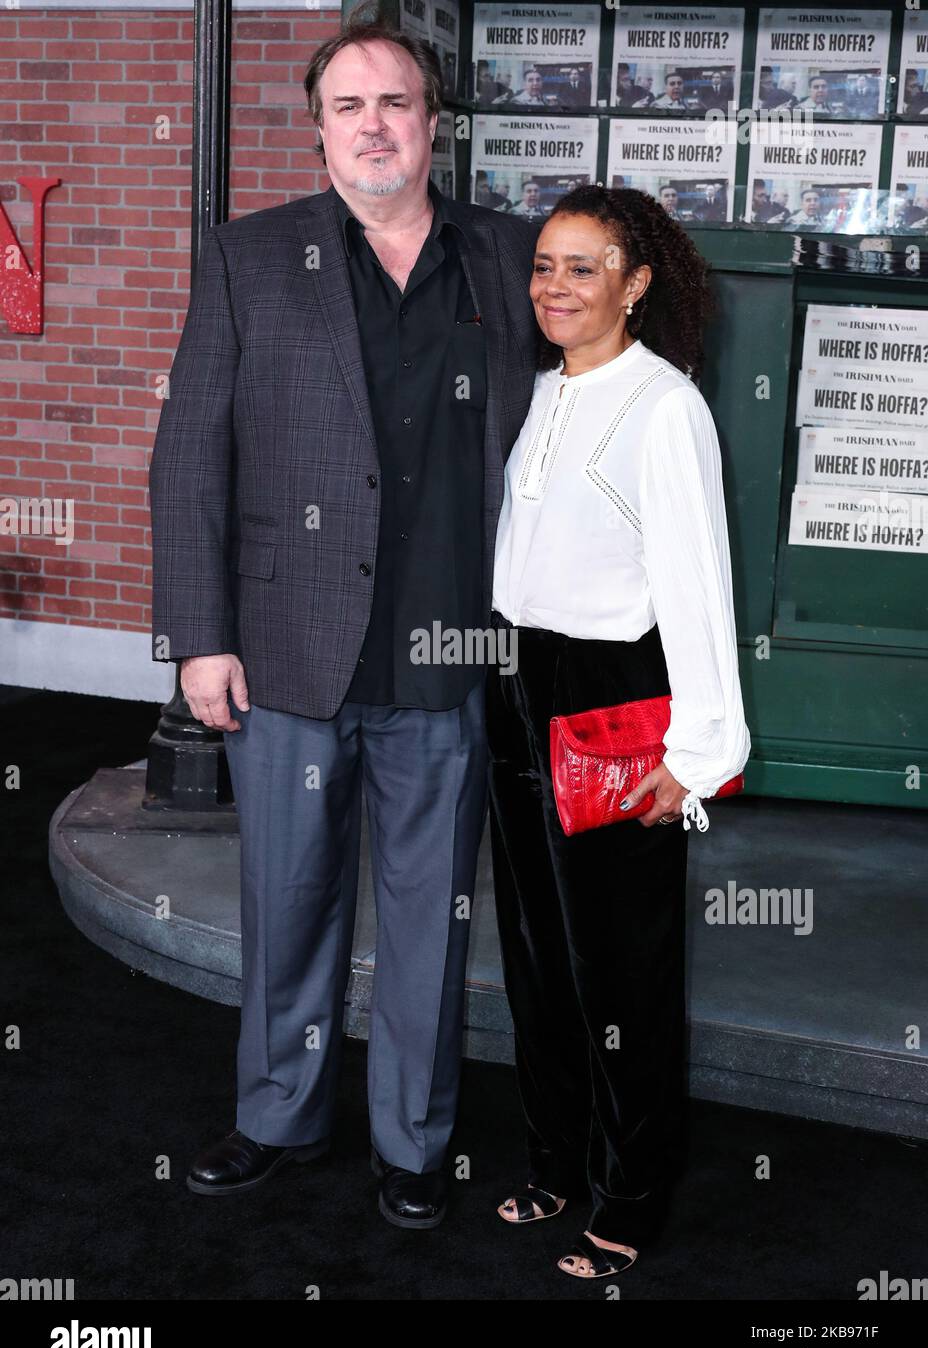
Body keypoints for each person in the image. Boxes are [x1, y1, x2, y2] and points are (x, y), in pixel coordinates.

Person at [149, 12, 541, 1229]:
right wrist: (199, 637)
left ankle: (414, 1143)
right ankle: (277, 1114)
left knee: (432, 914)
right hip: (287, 648)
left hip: (454, 651)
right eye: (349, 107)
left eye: (398, 104)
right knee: (290, 896)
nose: (375, 126)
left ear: (435, 122)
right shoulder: (247, 257)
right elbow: (187, 457)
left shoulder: (517, 257)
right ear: (318, 128)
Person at [487, 184, 750, 1279]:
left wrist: (697, 756)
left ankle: (631, 1196)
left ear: (636, 283)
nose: (555, 285)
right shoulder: (544, 389)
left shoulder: (665, 405)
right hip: (514, 681)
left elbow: (696, 581)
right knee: (539, 954)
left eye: (582, 266)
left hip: (613, 695)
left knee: (622, 969)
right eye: (544, 264)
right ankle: (554, 1154)